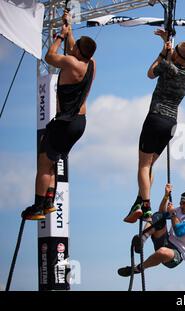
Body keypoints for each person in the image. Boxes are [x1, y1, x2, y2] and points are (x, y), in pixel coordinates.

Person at [22, 11, 96, 220]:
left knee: (44, 163)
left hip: (65, 121)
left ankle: (37, 207)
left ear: (79, 53)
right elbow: (74, 49)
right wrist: (69, 28)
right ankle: (49, 202)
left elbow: (49, 56)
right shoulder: (91, 64)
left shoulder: (71, 63)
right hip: (79, 123)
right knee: (54, 160)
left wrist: (60, 36)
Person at [123, 29, 185, 223]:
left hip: (155, 118)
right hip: (171, 123)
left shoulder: (167, 66)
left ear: (176, 56)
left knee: (143, 165)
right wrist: (169, 45)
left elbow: (150, 73)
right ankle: (139, 201)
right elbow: (176, 61)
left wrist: (163, 52)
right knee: (150, 165)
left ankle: (146, 207)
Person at [118, 183, 185, 275]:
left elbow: (179, 231)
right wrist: (166, 196)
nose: (181, 205)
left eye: (183, 203)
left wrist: (173, 214)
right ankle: (142, 240)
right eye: (180, 203)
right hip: (166, 241)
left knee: (162, 252)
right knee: (157, 216)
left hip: (177, 253)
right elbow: (160, 213)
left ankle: (138, 268)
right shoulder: (180, 210)